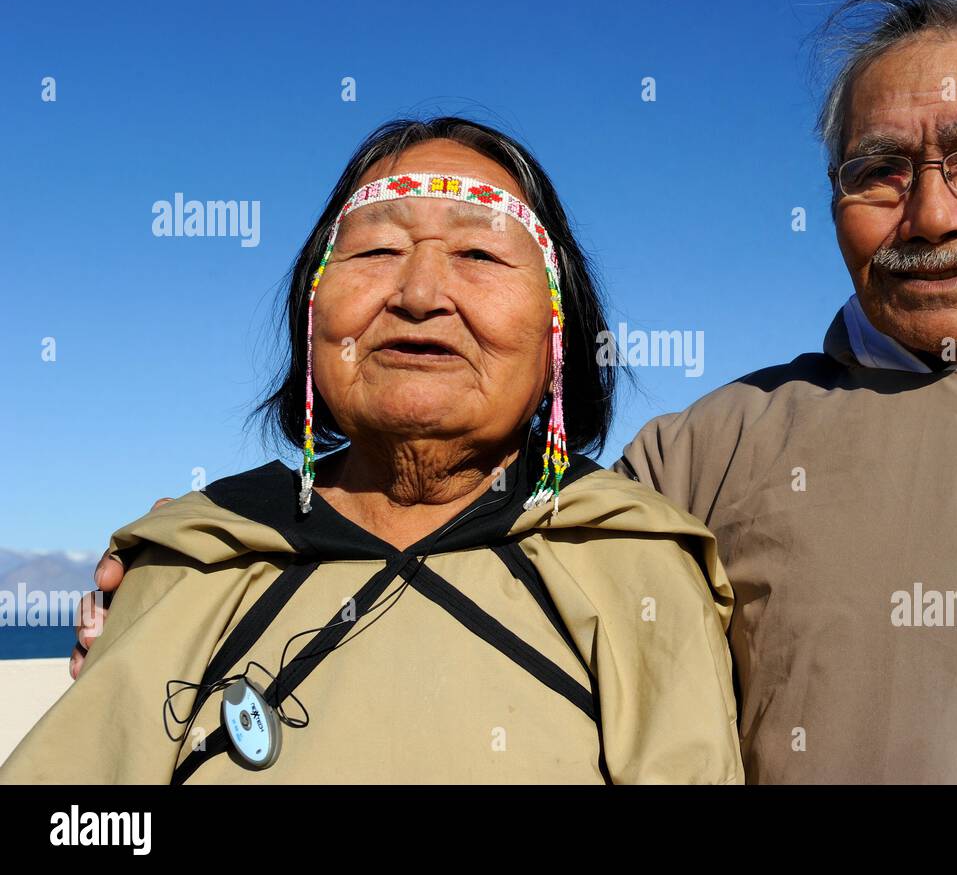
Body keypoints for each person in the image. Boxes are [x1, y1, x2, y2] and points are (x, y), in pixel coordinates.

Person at [70, 0, 957, 785]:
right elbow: (472, 526)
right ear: (831, 199)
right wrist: (186, 570)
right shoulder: (710, 451)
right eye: (880, 172)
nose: (932, 211)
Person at [2, 117, 742, 784]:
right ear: (312, 309)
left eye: (481, 252)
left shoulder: (636, 568)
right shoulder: (196, 559)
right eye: (379, 248)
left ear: (558, 331)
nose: (419, 292)